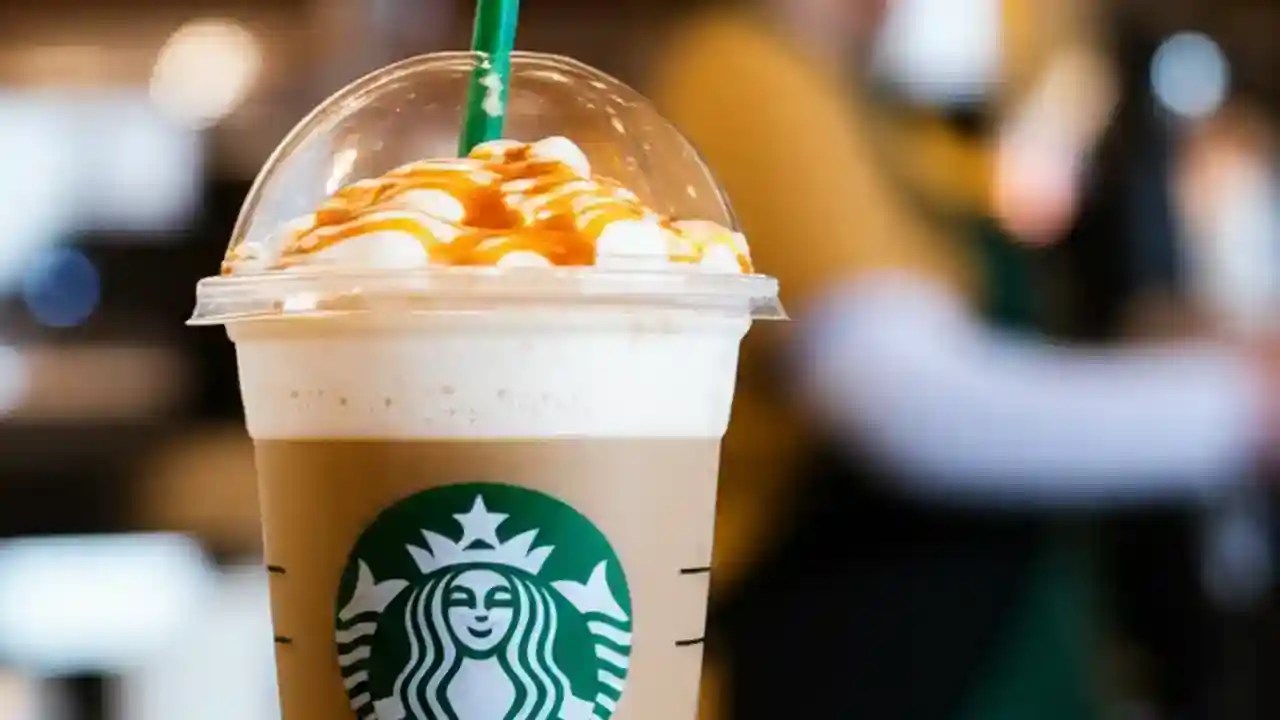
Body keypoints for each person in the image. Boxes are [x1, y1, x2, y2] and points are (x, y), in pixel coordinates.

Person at [648, 1, 1280, 718]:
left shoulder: (873, 99)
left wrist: (1174, 346)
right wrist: (1241, 404)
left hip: (989, 647)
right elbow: (901, 399)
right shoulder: (744, 69)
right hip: (862, 662)